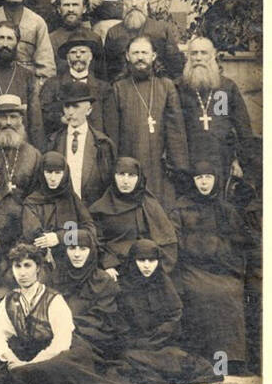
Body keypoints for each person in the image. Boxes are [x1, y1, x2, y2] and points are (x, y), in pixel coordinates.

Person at [0, 243, 139, 384]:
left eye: (27, 266)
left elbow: (61, 342)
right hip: (30, 350)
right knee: (3, 370)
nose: (22, 273)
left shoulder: (53, 299)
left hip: (66, 352)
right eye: (17, 266)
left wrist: (30, 364)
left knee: (53, 369)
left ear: (38, 268)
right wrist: (12, 360)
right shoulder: (9, 300)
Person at [171, 160, 252, 372]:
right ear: (193, 181)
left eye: (208, 178)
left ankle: (229, 361)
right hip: (192, 267)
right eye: (199, 178)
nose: (204, 183)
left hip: (222, 267)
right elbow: (176, 241)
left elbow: (240, 242)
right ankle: (204, 360)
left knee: (230, 291)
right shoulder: (181, 207)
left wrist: (219, 253)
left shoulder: (225, 209)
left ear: (215, 180)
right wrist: (202, 247)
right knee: (201, 292)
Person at [114, 239, 221, 384]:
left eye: (152, 260)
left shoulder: (163, 282)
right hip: (135, 346)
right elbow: (119, 323)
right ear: (133, 261)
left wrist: (157, 338)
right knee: (127, 359)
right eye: (141, 260)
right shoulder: (122, 286)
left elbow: (174, 315)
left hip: (161, 344)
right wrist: (139, 341)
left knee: (183, 360)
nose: (147, 265)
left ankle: (156, 373)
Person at [103, 35, 189, 208]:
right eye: (135, 53)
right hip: (129, 161)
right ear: (127, 56)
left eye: (144, 52)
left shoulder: (166, 86)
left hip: (159, 165)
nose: (140, 57)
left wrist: (178, 166)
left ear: (154, 56)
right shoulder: (119, 88)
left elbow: (176, 130)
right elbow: (112, 133)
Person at [177, 37, 259, 188]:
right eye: (194, 53)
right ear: (188, 56)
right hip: (190, 159)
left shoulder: (228, 87)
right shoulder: (178, 87)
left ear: (213, 55)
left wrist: (239, 160)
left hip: (222, 158)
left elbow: (243, 128)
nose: (199, 58)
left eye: (204, 53)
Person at [89, 157, 179, 279]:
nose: (125, 181)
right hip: (116, 269)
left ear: (139, 178)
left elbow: (167, 241)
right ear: (113, 176)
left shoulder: (149, 204)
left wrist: (154, 267)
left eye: (131, 175)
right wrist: (108, 264)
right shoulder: (99, 209)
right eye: (121, 174)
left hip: (147, 267)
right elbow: (96, 242)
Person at [50, 224, 127, 364]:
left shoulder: (104, 280)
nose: (77, 254)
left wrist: (68, 328)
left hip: (93, 338)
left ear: (91, 251)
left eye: (83, 248)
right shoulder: (55, 278)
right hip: (58, 334)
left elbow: (101, 318)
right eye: (72, 248)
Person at [21, 151, 94, 269]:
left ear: (64, 174)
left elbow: (89, 230)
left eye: (58, 173)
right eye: (48, 172)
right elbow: (34, 236)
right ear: (42, 173)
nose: (53, 178)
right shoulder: (32, 202)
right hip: (43, 260)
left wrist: (60, 237)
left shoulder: (72, 199)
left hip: (73, 259)